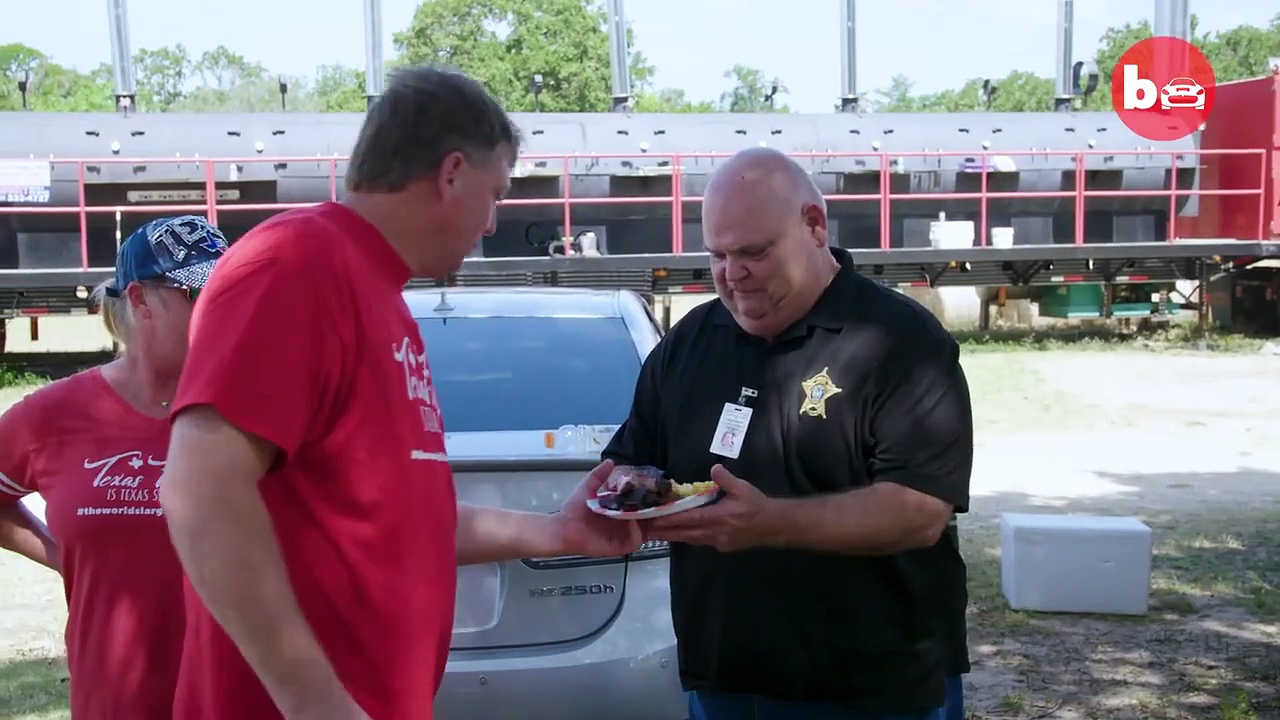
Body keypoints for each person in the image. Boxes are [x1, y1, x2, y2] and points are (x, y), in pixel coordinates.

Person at [157, 65, 642, 720]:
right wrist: (316, 702)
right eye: (495, 193)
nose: (494, 221)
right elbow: (198, 490)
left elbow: (398, 521)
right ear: (450, 174)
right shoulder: (294, 266)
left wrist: (561, 533)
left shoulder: (382, 298)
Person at [603, 147, 975, 720]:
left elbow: (919, 509)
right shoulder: (689, 343)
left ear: (814, 225)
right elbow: (632, 462)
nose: (732, 274)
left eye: (753, 252)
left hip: (875, 687)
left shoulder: (898, 340)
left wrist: (771, 524)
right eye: (718, 255)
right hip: (727, 676)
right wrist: (621, 491)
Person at [0, 215, 228, 719]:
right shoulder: (54, 415)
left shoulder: (253, 409)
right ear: (142, 301)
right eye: (200, 294)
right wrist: (65, 557)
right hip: (116, 703)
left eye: (230, 291)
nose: (225, 310)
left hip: (239, 699)